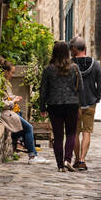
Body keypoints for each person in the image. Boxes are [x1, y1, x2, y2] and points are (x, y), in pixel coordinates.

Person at [39, 42, 83, 172]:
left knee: (58, 136)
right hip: (72, 104)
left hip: (54, 105)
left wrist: (42, 107)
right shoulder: (74, 68)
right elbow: (81, 87)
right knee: (71, 133)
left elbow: (43, 90)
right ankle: (67, 160)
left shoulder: (48, 69)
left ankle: (59, 165)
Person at [0, 59, 50, 164]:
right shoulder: (0, 84)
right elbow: (0, 103)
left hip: (9, 112)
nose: (12, 75)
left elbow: (7, 97)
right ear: (5, 72)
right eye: (12, 72)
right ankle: (32, 156)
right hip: (4, 113)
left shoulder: (5, 83)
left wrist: (14, 98)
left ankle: (22, 145)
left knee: (23, 126)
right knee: (28, 128)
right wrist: (13, 101)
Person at [70, 36, 101, 171]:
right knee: (87, 132)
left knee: (75, 133)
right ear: (85, 48)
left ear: (74, 49)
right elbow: (100, 85)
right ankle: (83, 159)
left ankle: (77, 159)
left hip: (74, 103)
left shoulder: (70, 65)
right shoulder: (95, 64)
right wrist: (97, 98)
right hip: (90, 102)